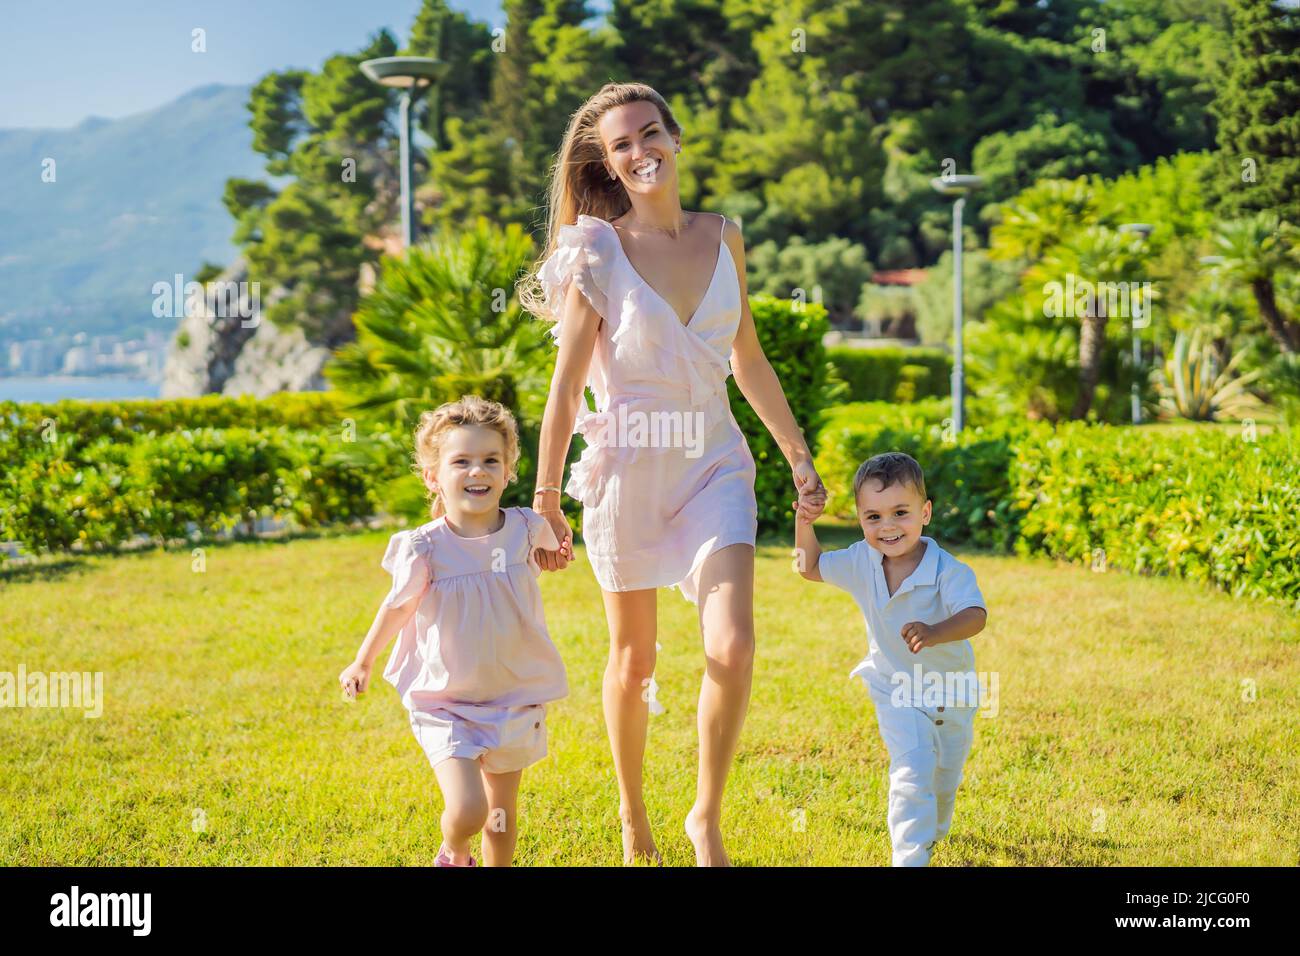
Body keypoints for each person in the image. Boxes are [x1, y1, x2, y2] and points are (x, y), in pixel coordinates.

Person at [516, 81, 827, 865]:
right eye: (620, 145)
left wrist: (797, 456)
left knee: (733, 645)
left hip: (715, 463)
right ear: (608, 164)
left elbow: (745, 356)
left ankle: (706, 816)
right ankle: (632, 816)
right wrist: (547, 500)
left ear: (675, 138)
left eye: (648, 133)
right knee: (636, 660)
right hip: (628, 474)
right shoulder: (596, 249)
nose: (638, 151)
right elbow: (563, 387)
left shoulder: (725, 236)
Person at [338, 395, 569, 867]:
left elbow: (556, 554)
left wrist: (560, 553)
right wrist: (363, 660)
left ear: (508, 473)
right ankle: (456, 850)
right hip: (447, 703)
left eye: (490, 461)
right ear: (433, 477)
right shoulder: (425, 547)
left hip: (512, 696)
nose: (477, 472)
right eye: (461, 461)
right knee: (468, 809)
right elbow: (397, 607)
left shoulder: (525, 527)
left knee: (501, 819)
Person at [794, 451, 988, 866]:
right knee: (912, 769)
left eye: (900, 512)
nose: (887, 527)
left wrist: (935, 632)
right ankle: (910, 856)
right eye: (873, 517)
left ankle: (933, 830)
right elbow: (808, 566)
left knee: (944, 775)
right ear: (860, 518)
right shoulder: (861, 560)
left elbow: (976, 616)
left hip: (950, 690)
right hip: (894, 687)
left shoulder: (947, 570)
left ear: (926, 511)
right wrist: (804, 522)